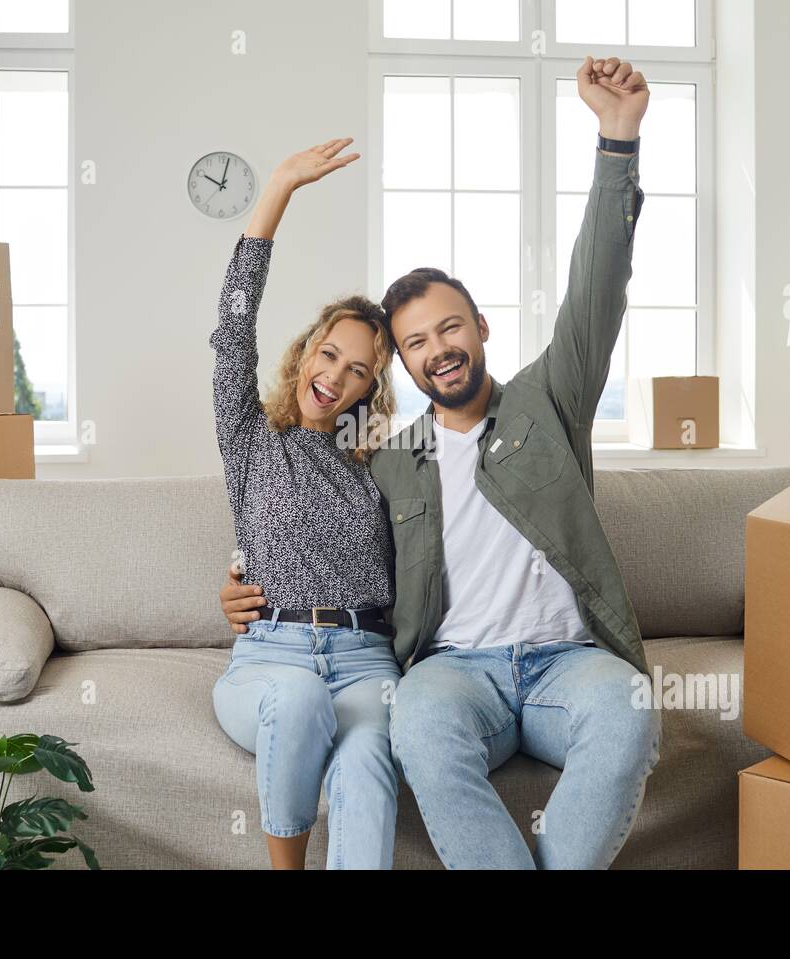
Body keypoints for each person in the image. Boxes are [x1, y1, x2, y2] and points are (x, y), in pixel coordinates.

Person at [220, 57, 660, 869]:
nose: (439, 350)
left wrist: (617, 139)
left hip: (569, 662)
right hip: (457, 673)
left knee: (633, 705)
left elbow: (597, 286)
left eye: (449, 329)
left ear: (482, 328)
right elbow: (323, 536)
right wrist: (244, 576)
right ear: (407, 368)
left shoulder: (548, 400)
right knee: (413, 720)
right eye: (417, 342)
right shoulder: (393, 459)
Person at [209, 137, 402, 870]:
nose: (336, 377)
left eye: (358, 371)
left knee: (366, 765)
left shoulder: (382, 461)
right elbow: (232, 332)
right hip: (270, 659)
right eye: (330, 354)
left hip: (365, 661)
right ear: (308, 348)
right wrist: (279, 190)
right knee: (295, 698)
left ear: (369, 389)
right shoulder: (249, 436)